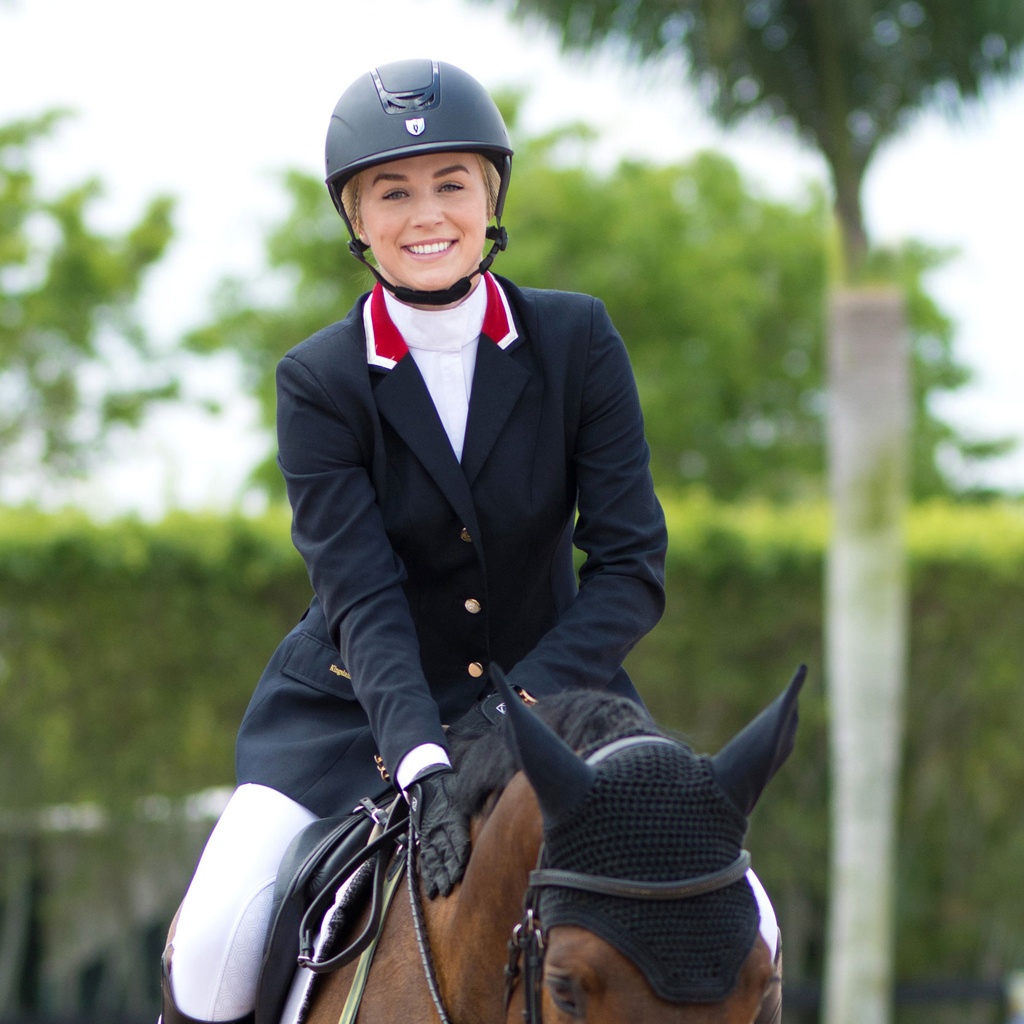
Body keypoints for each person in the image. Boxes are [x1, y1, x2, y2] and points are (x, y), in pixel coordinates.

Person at [160, 58, 667, 1024]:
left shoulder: (579, 342)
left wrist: (511, 714)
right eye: (392, 191)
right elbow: (359, 592)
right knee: (216, 946)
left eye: (452, 184)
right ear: (356, 219)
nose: (425, 213)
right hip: (357, 717)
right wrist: (427, 759)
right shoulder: (319, 381)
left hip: (557, 701)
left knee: (743, 906)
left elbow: (631, 570)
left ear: (490, 198)